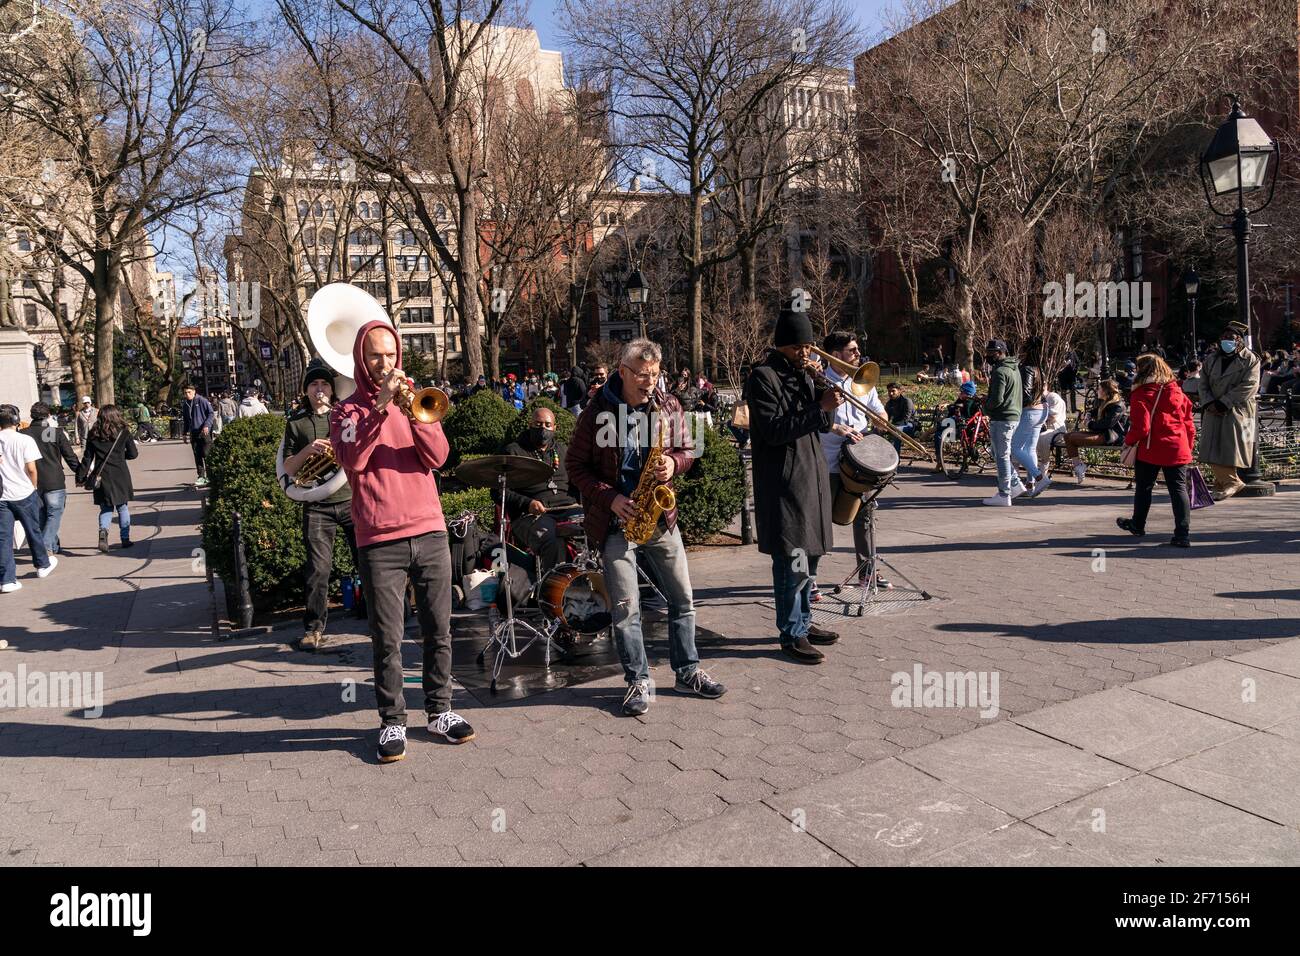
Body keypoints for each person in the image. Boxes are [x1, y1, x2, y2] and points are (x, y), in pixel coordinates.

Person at [330, 319, 473, 762]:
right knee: (388, 638)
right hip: (379, 538)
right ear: (361, 358)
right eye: (376, 355)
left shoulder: (416, 401)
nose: (385, 362)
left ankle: (440, 712)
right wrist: (378, 407)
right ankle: (392, 722)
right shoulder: (346, 411)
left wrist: (414, 414)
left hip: (428, 529)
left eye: (391, 354)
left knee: (439, 629)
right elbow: (352, 459)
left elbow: (440, 457)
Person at [567, 338, 725, 716]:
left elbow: (691, 449)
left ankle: (687, 670)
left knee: (683, 600)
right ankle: (638, 680)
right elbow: (575, 468)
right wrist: (611, 499)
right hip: (617, 523)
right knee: (626, 608)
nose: (650, 382)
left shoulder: (668, 404)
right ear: (622, 371)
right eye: (642, 375)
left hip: (661, 519)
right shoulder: (595, 411)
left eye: (655, 375)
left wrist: (674, 464)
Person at [746, 310, 841, 665]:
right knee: (791, 559)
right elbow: (774, 430)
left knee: (810, 555)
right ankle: (791, 633)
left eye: (810, 346)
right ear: (786, 345)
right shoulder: (763, 377)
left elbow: (825, 423)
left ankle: (804, 620)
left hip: (811, 474)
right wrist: (819, 407)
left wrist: (824, 393)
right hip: (784, 481)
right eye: (802, 347)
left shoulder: (804, 374)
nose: (808, 353)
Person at [282, 361, 358, 652]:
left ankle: (389, 617)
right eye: (314, 385)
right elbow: (288, 468)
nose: (320, 389)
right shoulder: (296, 422)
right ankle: (313, 628)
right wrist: (308, 450)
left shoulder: (344, 416)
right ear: (306, 390)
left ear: (332, 388)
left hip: (351, 498)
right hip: (316, 505)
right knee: (318, 570)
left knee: (369, 561)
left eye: (324, 384)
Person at [815, 331, 890, 596]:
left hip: (860, 460)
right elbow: (812, 420)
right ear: (835, 355)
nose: (858, 355)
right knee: (820, 519)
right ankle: (810, 578)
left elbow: (879, 409)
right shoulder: (819, 381)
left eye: (857, 350)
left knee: (866, 516)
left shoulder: (864, 381)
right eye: (852, 351)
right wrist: (836, 428)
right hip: (828, 460)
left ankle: (867, 571)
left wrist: (882, 418)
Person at [1116, 355, 1196, 548]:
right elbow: (1189, 423)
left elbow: (1141, 427)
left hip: (1151, 448)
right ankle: (1182, 534)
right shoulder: (1177, 391)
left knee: (1144, 487)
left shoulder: (1142, 393)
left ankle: (1138, 524)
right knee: (1178, 489)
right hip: (1177, 446)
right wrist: (1189, 446)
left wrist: (1128, 442)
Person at [503, 405, 579, 577]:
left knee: (600, 525)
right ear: (530, 424)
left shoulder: (562, 450)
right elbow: (499, 492)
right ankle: (555, 591)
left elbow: (577, 482)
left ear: (555, 428)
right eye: (538, 424)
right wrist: (527, 503)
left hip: (566, 509)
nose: (542, 429)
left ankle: (593, 581)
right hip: (531, 515)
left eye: (547, 425)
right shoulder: (514, 451)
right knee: (550, 536)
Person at [1198, 320, 1261, 501]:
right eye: (1224, 337)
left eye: (1230, 337)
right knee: (1210, 449)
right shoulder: (1211, 359)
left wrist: (1224, 403)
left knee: (1229, 449)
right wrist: (1209, 402)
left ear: (1239, 340)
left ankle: (1230, 482)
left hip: (1237, 409)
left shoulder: (1250, 359)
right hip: (1212, 409)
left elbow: (1250, 385)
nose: (1226, 340)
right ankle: (1225, 483)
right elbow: (1203, 384)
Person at [0, 404, 59, 592]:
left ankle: (7, 579)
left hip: (2, 496)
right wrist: (33, 486)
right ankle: (42, 564)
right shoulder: (24, 440)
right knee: (33, 530)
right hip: (24, 492)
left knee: (4, 538)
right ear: (16, 420)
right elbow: (32, 469)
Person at [75, 403, 139, 553]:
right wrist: (120, 456)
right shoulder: (123, 432)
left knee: (106, 508)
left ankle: (103, 532)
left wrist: (80, 477)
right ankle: (125, 539)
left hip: (101, 475)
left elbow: (87, 459)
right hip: (120, 473)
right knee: (122, 507)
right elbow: (133, 454)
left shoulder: (94, 434)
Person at [20, 402, 81, 556]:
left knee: (41, 516)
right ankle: (46, 545)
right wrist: (81, 474)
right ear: (48, 415)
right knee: (54, 514)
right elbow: (70, 456)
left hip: (31, 481)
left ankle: (53, 546)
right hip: (54, 480)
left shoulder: (23, 433)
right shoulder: (55, 432)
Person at [981, 339, 1025, 506]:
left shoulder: (999, 372)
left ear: (999, 353)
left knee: (1001, 456)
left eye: (990, 353)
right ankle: (1015, 485)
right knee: (998, 452)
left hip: (1002, 417)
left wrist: (986, 406)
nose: (987, 356)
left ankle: (1004, 494)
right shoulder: (1014, 369)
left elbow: (997, 400)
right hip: (1013, 415)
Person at [1062, 379, 1127, 485]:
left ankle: (1079, 467)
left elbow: (1107, 424)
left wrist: (1088, 424)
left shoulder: (1118, 406)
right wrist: (1088, 414)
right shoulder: (1105, 403)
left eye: (1099, 388)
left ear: (1106, 391)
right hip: (1101, 434)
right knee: (1067, 436)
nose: (1097, 390)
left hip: (1110, 437)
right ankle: (1079, 467)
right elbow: (1094, 411)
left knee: (1072, 438)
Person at [1012, 348, 1050, 497]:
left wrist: (1015, 405)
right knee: (1030, 449)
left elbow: (1026, 394)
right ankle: (1030, 484)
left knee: (1014, 447)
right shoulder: (1040, 369)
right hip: (1042, 409)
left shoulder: (1027, 369)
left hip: (1030, 410)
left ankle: (1039, 477)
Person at [933, 381, 983, 470]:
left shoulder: (975, 402)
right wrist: (949, 406)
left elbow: (973, 416)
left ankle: (932, 430)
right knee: (938, 435)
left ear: (968, 393)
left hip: (967, 429)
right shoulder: (960, 400)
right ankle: (939, 462)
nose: (960, 393)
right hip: (956, 428)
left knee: (949, 422)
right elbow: (954, 410)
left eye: (962, 392)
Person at [179, 383, 215, 487]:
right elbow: (186, 420)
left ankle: (210, 476)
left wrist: (207, 425)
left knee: (207, 454)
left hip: (204, 432)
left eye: (189, 392)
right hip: (193, 433)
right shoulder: (185, 404)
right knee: (197, 455)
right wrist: (185, 433)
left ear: (194, 392)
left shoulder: (202, 400)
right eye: (185, 393)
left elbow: (211, 413)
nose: (187, 394)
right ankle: (201, 476)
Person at [883, 382, 918, 454]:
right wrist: (882, 426)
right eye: (889, 391)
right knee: (877, 430)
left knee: (897, 431)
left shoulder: (906, 401)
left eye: (893, 391)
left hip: (910, 425)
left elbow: (906, 420)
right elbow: (886, 418)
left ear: (899, 391)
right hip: (896, 426)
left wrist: (892, 427)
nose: (891, 393)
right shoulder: (889, 403)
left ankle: (896, 458)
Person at [1036, 388, 1068, 464]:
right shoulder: (1035, 398)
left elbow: (1053, 417)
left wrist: (1037, 414)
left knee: (1042, 437)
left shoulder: (1053, 397)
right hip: (1042, 429)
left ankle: (1044, 465)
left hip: (1057, 430)